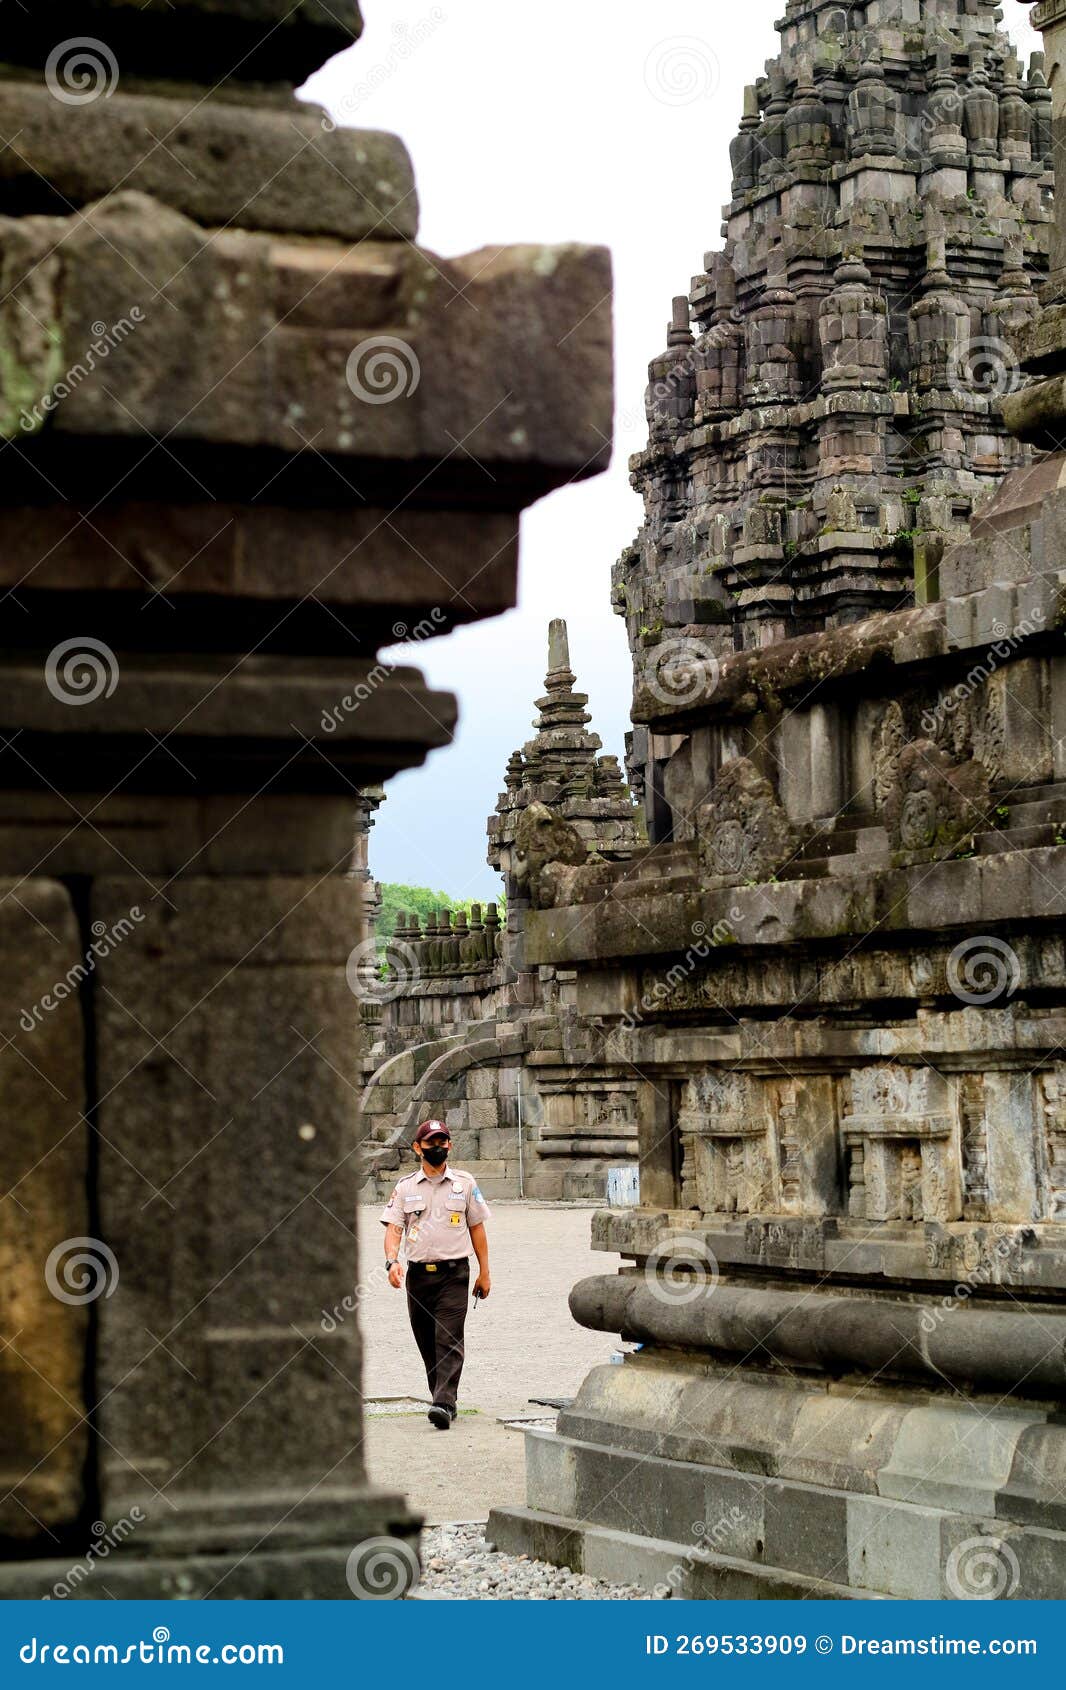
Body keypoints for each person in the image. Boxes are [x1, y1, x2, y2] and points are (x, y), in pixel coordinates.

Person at [381, 1119, 491, 1430]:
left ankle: (444, 1402)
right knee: (427, 1341)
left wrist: (485, 1272)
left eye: (443, 1142)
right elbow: (394, 1229)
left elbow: (477, 1229)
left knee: (449, 1337)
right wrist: (392, 1261)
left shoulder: (465, 1184)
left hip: (454, 1273)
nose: (438, 1147)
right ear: (417, 1148)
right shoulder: (404, 1188)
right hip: (418, 1276)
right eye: (431, 1143)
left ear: (450, 1145)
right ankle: (441, 1397)